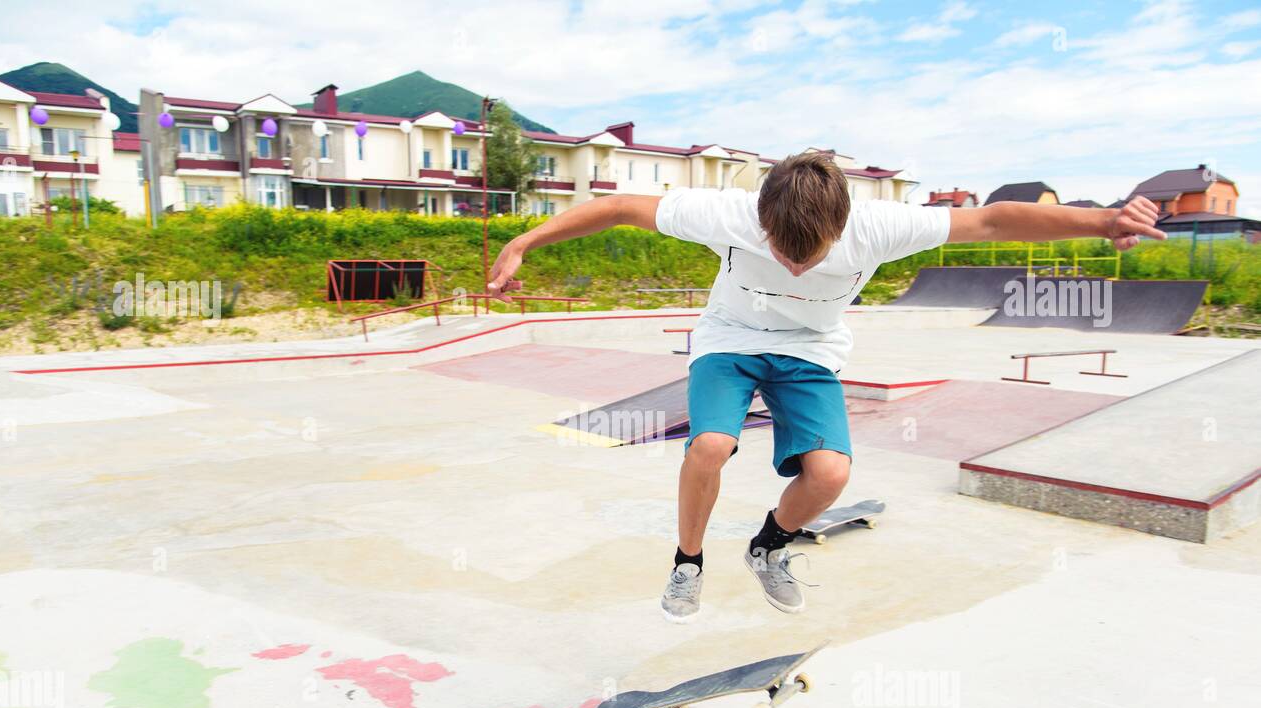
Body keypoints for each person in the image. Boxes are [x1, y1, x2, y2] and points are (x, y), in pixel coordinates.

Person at [487, 152, 1166, 623]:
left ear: (842, 227)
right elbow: (623, 207)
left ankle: (769, 545)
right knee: (708, 448)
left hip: (809, 353)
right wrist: (527, 239)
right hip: (729, 340)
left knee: (831, 475)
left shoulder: (880, 225)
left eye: (807, 256)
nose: (791, 262)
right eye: (781, 248)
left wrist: (1104, 221)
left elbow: (992, 220)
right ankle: (687, 561)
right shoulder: (728, 212)